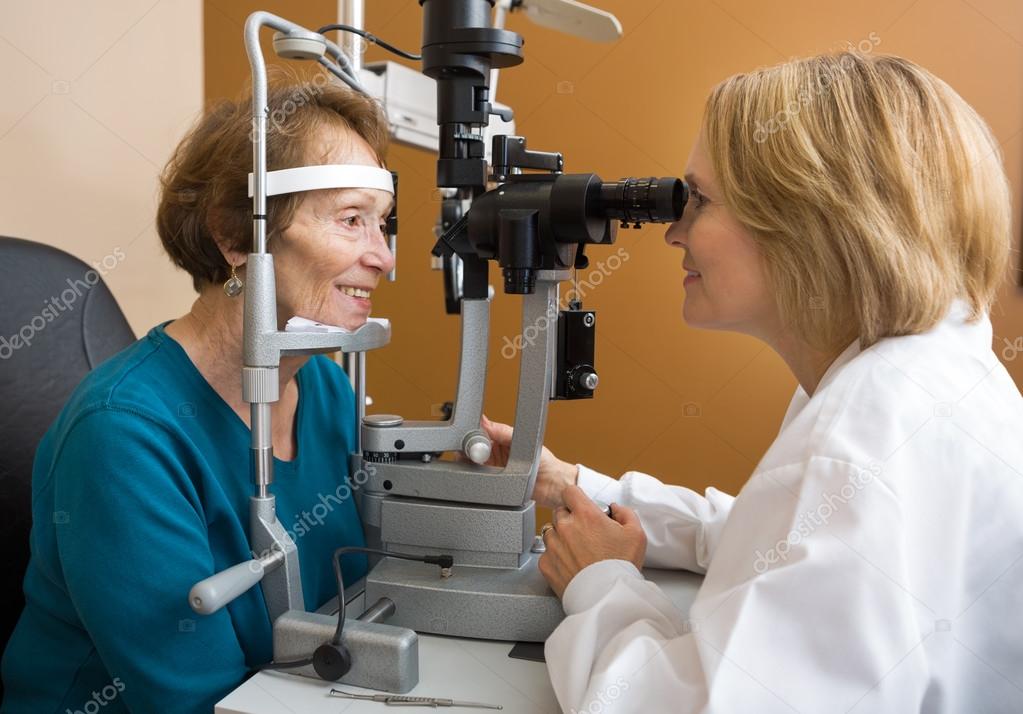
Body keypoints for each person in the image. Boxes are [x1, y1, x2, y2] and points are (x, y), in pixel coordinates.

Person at [484, 51, 1023, 713]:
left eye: (699, 201)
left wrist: (602, 583)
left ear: (812, 220)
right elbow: (775, 536)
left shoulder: (864, 430)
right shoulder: (918, 372)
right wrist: (579, 489)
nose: (672, 231)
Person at [1, 74, 395, 713]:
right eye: (352, 220)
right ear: (235, 236)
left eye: (383, 225)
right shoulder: (122, 436)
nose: (384, 258)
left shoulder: (323, 385)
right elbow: (198, 700)